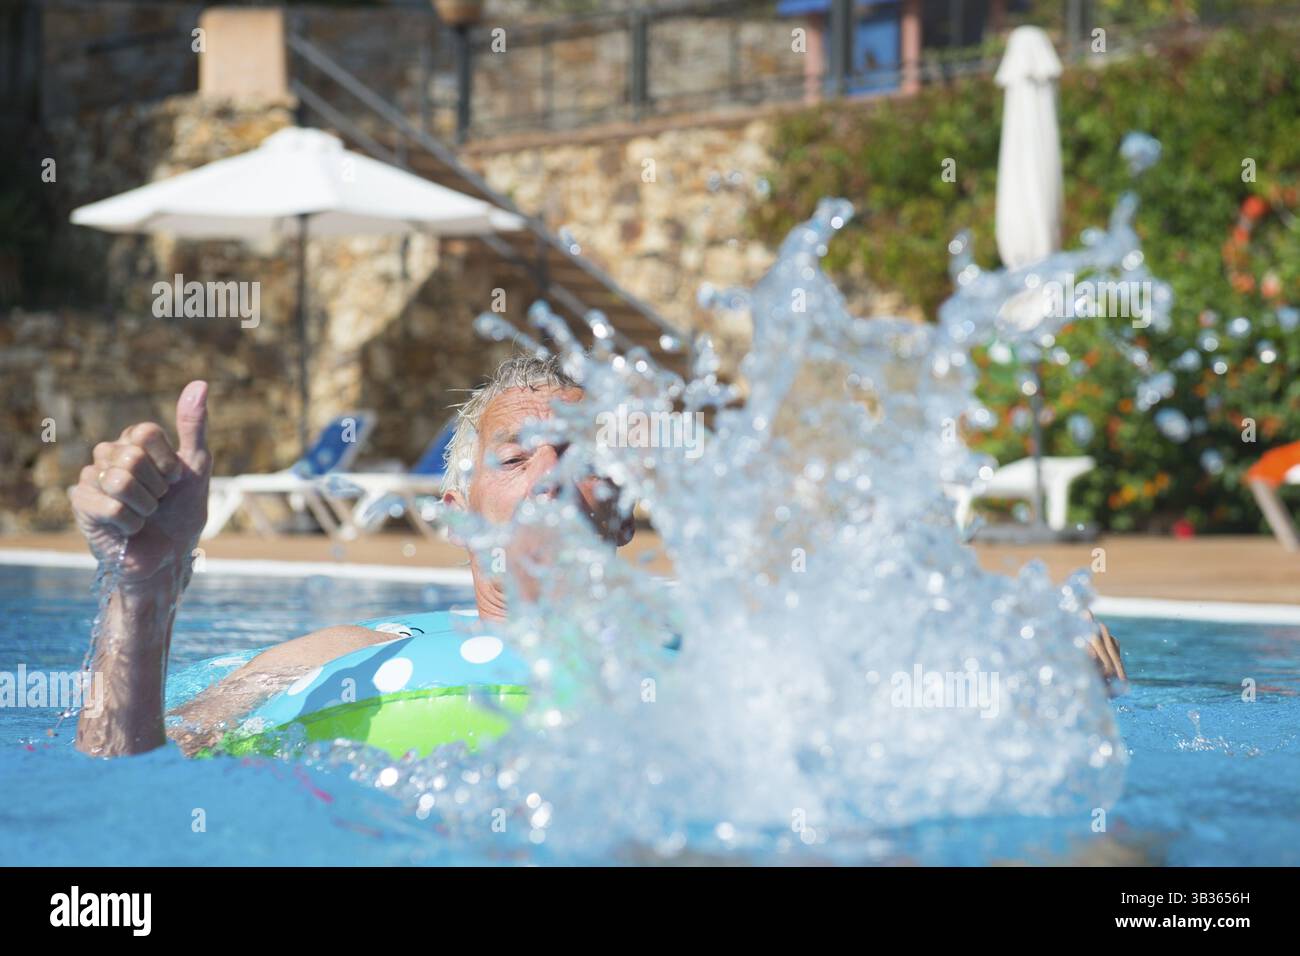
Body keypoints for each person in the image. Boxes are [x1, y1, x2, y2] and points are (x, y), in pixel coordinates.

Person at [70, 356, 1123, 759]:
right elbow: (122, 769)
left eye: (582, 457)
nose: (548, 476)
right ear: (456, 497)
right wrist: (142, 593)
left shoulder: (729, 641)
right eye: (516, 452)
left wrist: (1023, 650)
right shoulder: (346, 649)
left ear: (629, 503)